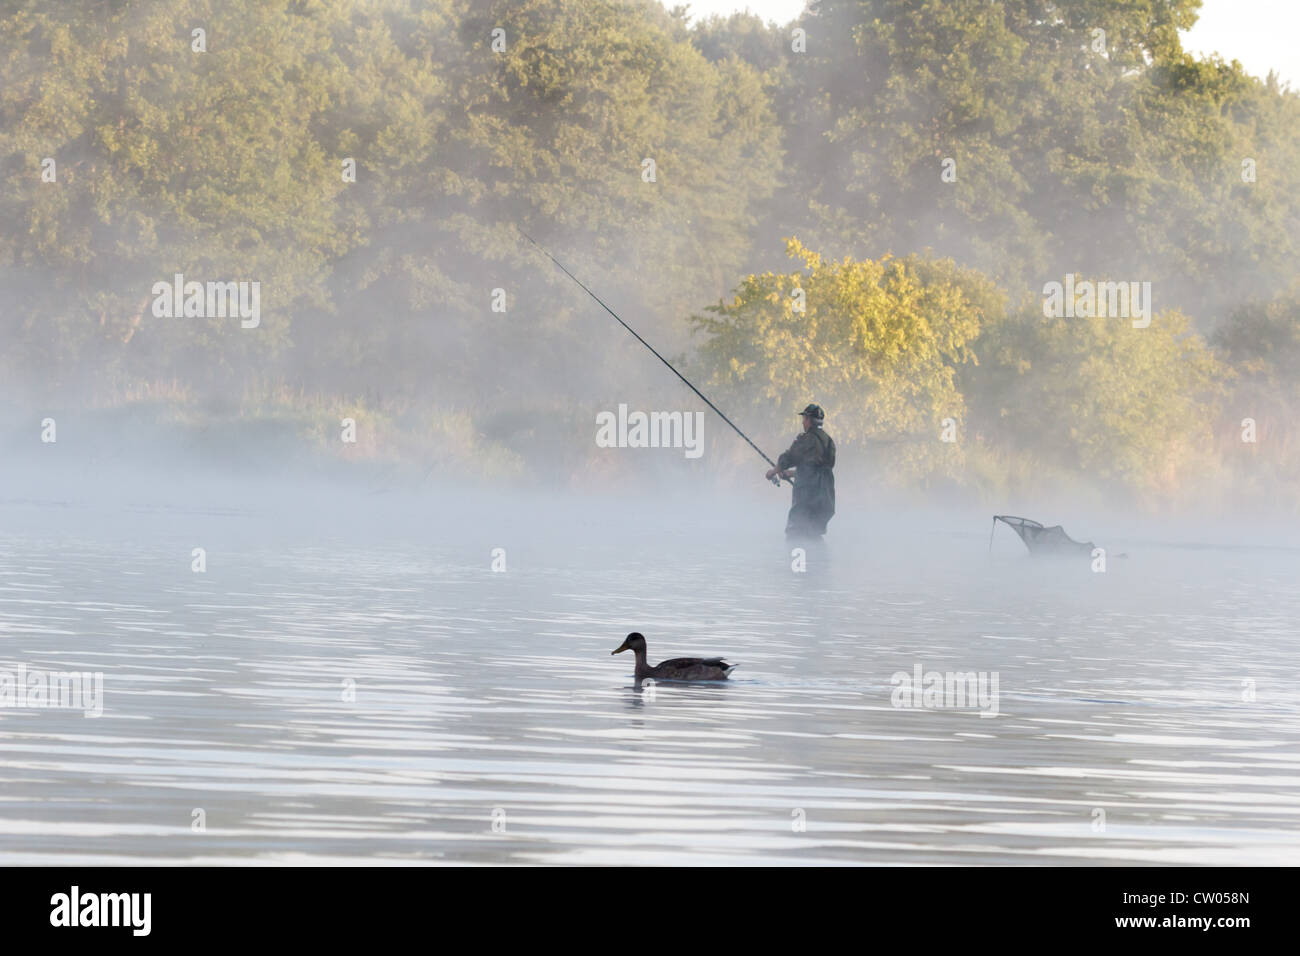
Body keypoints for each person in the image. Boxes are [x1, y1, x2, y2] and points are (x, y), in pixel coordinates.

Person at [765, 403, 836, 537]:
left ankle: (797, 557)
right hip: (826, 500)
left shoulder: (807, 439)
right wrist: (791, 474)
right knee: (815, 535)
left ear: (809, 420)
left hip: (807, 499)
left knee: (796, 532)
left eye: (804, 419)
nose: (803, 422)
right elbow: (818, 469)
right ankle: (816, 558)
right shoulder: (829, 442)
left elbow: (789, 458)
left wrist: (773, 471)